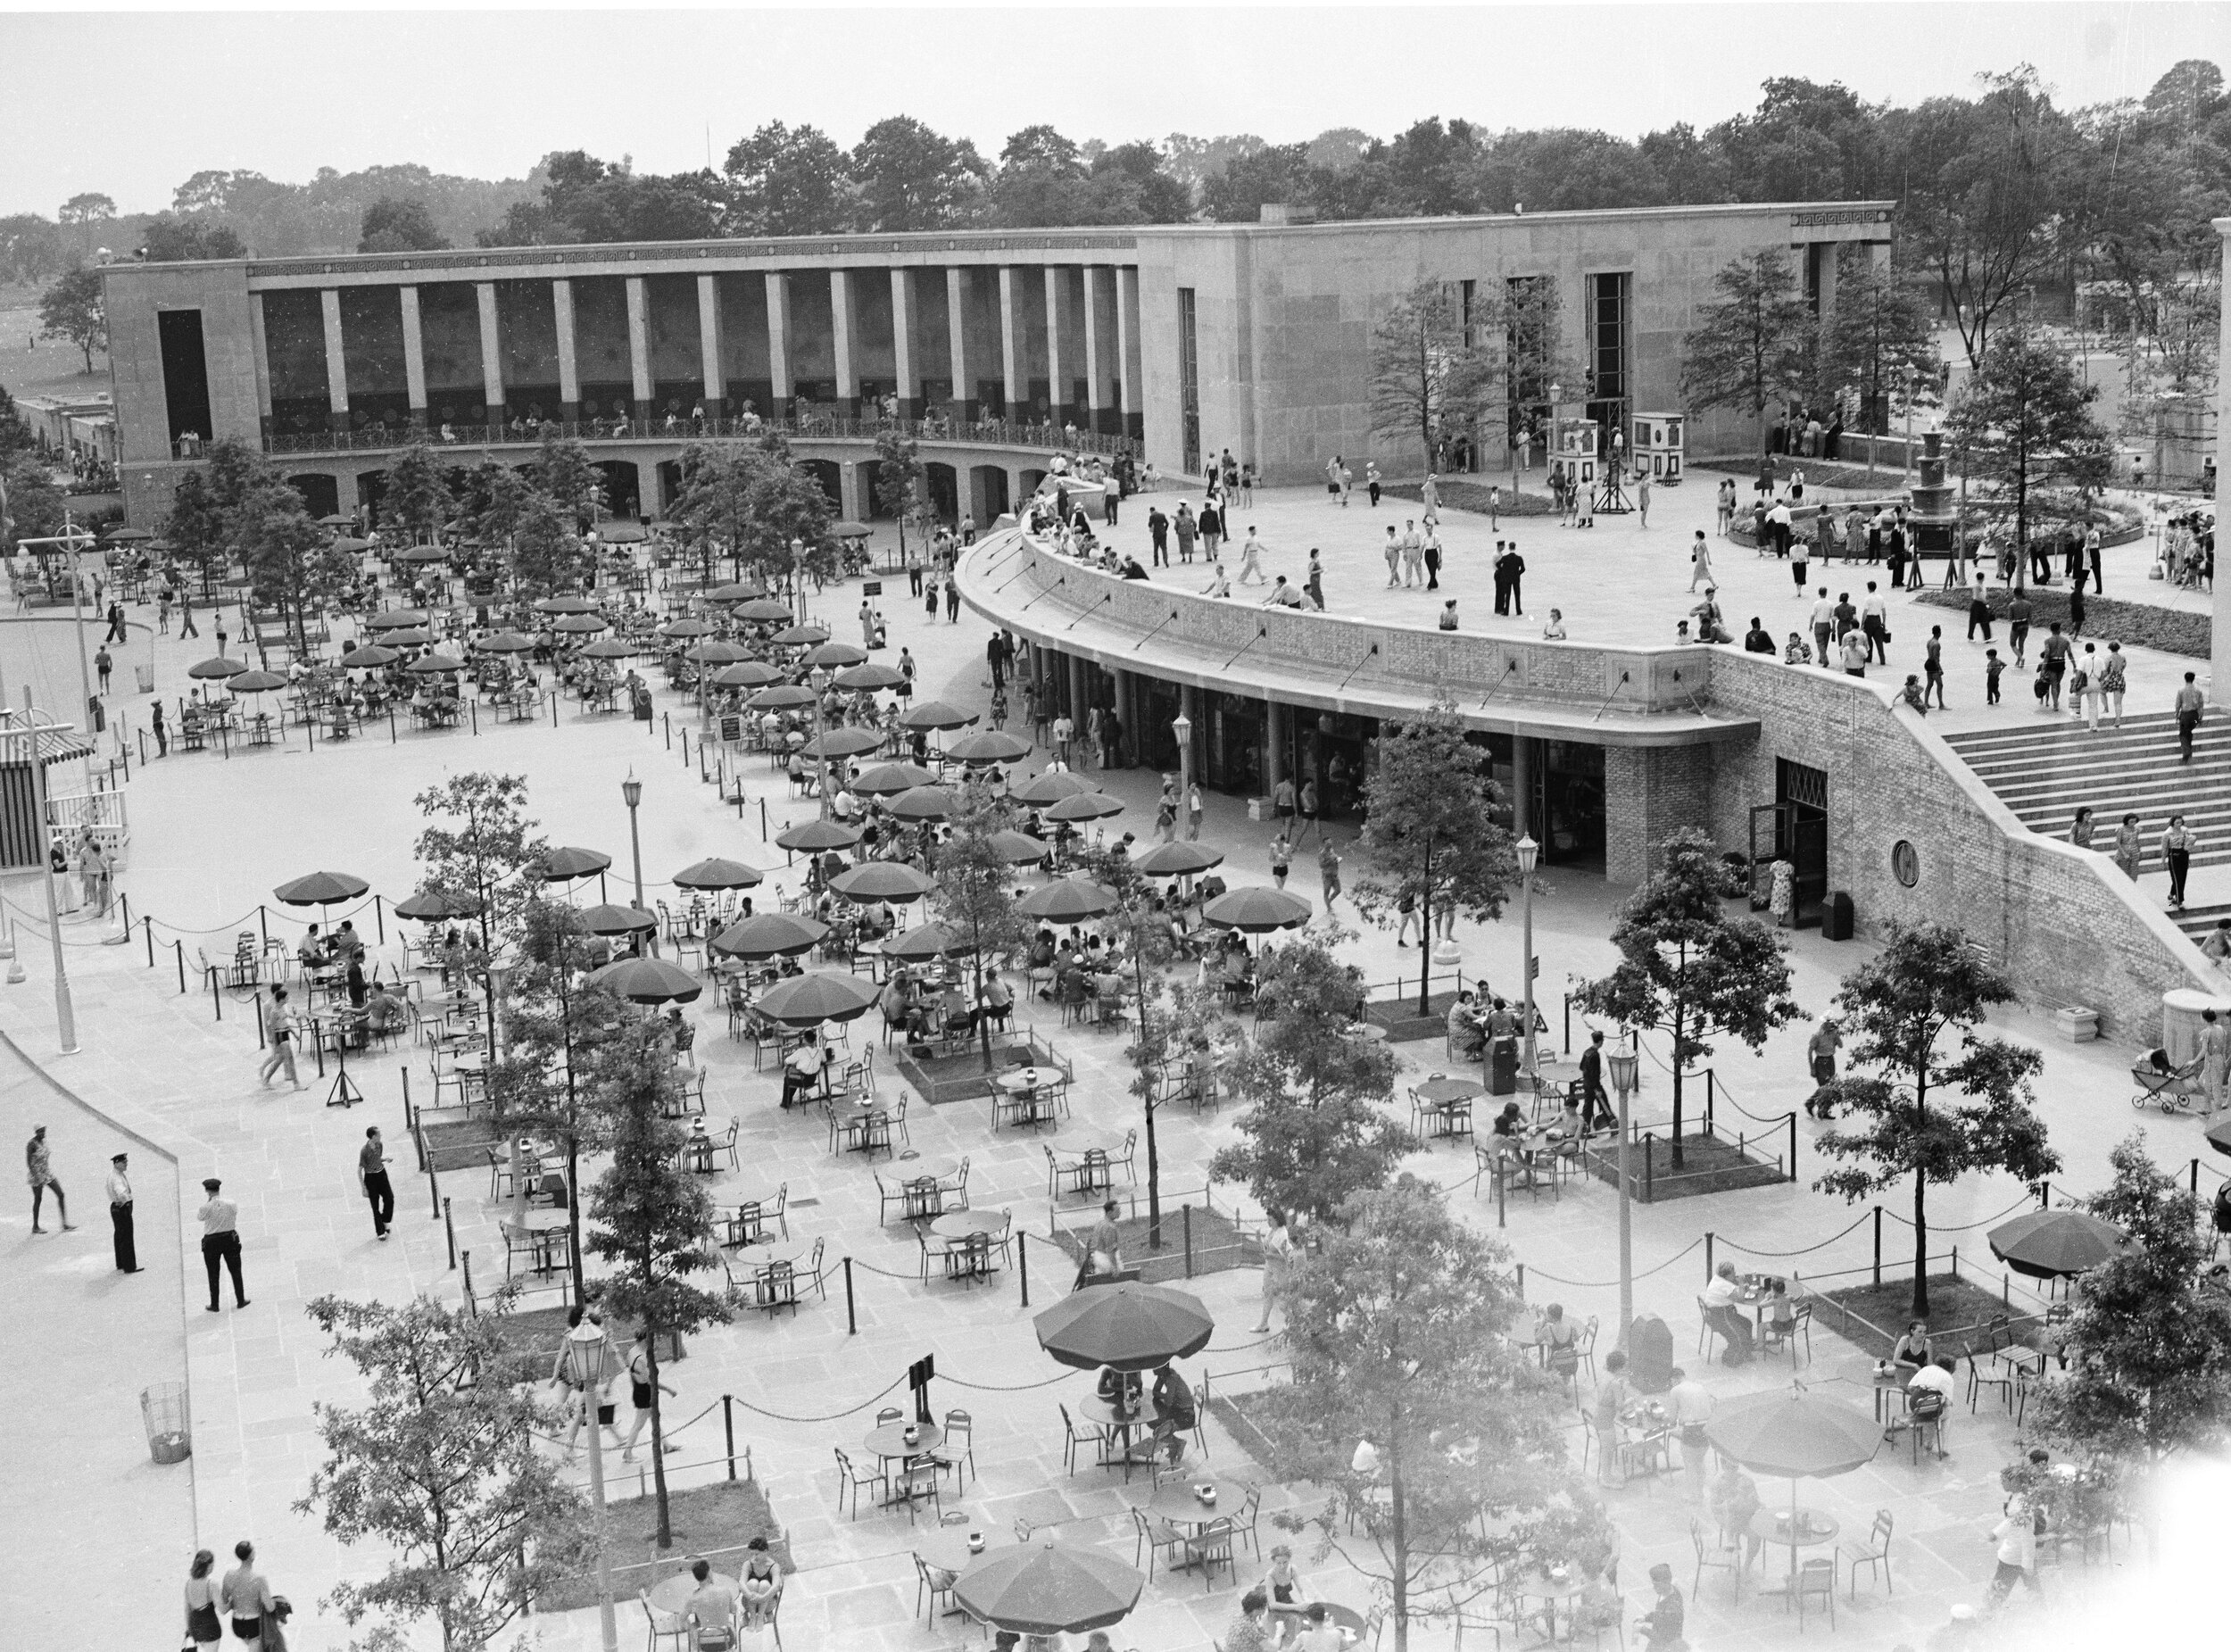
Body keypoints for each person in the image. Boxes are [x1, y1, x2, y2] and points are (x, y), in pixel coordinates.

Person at [555, 1305, 625, 1460]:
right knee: (581, 1415)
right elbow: (569, 1360)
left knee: (592, 1409)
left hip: (590, 1383)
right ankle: (569, 1448)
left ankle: (614, 1433)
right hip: (589, 1384)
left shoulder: (587, 1337)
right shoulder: (583, 1339)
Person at [1986, 1473, 2043, 1609]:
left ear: (2016, 1482)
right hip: (2017, 1553)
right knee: (2034, 1589)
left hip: (2014, 1555)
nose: (2002, 1483)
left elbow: (2026, 1535)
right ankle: (2042, 1613)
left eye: (2005, 1480)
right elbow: (2011, 1521)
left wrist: (2028, 1563)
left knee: (1998, 1593)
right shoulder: (2019, 1499)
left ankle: (1989, 1614)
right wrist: (1997, 1532)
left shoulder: (2023, 1506)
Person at [198, 1176, 248, 1311]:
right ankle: (240, 1299)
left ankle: (215, 1304)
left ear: (207, 1191)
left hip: (212, 1242)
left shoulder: (205, 1207)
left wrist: (209, 1201)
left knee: (213, 1273)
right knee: (236, 1270)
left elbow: (200, 1217)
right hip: (229, 1238)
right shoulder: (230, 1203)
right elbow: (235, 1212)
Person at [221, 1540, 277, 1652]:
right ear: (252, 1555)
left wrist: (235, 1600)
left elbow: (224, 1601)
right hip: (253, 1624)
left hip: (237, 1624)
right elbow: (270, 1607)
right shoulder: (259, 1579)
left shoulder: (229, 1575)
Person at [1668, 1365, 1713, 1500]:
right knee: (1700, 1461)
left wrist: (1672, 1424)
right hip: (1706, 1428)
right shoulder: (1699, 1386)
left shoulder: (1675, 1390)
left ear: (1674, 1379)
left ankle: (1693, 1496)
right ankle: (1700, 1492)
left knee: (1690, 1464)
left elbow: (1672, 1418)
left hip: (1691, 1428)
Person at [1591, 1350, 1632, 1485]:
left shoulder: (1604, 1376)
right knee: (1608, 1449)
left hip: (1598, 1414)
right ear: (1619, 1367)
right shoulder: (1615, 1383)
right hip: (1606, 1420)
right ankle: (1606, 1478)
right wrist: (1629, 1399)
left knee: (1607, 1448)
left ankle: (1606, 1475)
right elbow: (1620, 1406)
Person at [25, 1124, 74, 1233]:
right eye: (40, 1132)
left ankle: (64, 1223)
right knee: (38, 1199)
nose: (43, 1133)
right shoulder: (31, 1144)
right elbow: (29, 1163)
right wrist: (37, 1176)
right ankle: (35, 1226)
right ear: (36, 1132)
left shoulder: (44, 1141)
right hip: (36, 1174)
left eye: (44, 1131)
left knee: (61, 1194)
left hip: (46, 1172)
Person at [1702, 1260, 1754, 1363]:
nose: (1735, 1274)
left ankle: (1747, 1352)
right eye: (1733, 1273)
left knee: (1747, 1323)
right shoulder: (1725, 1286)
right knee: (1740, 1336)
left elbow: (1731, 1291)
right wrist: (1742, 1283)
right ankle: (1732, 1358)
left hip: (1717, 1313)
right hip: (1721, 1317)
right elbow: (1741, 1299)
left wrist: (1740, 1287)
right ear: (1727, 1275)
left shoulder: (1717, 1279)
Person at [684, 1557, 740, 1651]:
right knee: (730, 1623)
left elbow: (682, 1619)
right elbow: (734, 1610)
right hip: (726, 1641)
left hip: (705, 1645)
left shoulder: (694, 1598)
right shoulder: (725, 1591)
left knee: (693, 1625)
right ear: (709, 1573)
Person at [1252, 1209, 1293, 1333]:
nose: (1268, 1222)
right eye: (1268, 1219)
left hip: (1280, 1270)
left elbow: (1286, 1257)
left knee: (1282, 1302)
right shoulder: (1271, 1231)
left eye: (1270, 1220)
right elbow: (1266, 1250)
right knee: (1268, 1294)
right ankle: (1263, 1324)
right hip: (1269, 1267)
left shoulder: (1282, 1234)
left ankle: (1298, 1323)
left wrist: (1270, 1256)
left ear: (1277, 1219)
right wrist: (1259, 1240)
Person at [1149, 1362, 1197, 1464]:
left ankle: (1177, 1444)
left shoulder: (1172, 1378)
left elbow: (1168, 1402)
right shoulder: (1162, 1376)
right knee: (1153, 1424)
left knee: (1159, 1433)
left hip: (1186, 1415)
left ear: (1162, 1367)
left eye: (1155, 1365)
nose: (1152, 1368)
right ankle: (1176, 1445)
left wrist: (1164, 1396)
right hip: (1177, 1411)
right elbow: (1155, 1392)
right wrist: (1165, 1396)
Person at [259, 984, 303, 1091]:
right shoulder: (273, 1011)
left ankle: (267, 1079)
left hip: (285, 1034)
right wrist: (274, 1042)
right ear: (281, 999)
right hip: (279, 1036)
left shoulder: (282, 1008)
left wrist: (294, 1033)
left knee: (280, 1059)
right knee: (288, 1058)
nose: (287, 999)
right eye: (285, 998)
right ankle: (296, 1083)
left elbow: (286, 1023)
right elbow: (273, 1027)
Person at [357, 1125, 395, 1240]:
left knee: (389, 1198)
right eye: (379, 1135)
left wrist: (385, 1159)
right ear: (373, 1137)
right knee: (375, 1205)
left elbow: (377, 1158)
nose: (381, 1136)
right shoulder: (364, 1151)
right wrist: (363, 1187)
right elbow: (359, 1170)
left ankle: (385, 1220)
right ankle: (380, 1231)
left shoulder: (380, 1145)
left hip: (381, 1174)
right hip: (371, 1178)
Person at [105, 1151, 140, 1272]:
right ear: (117, 1163)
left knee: (119, 1235)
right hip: (122, 1208)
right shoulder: (116, 1178)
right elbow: (121, 1192)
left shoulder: (114, 1174)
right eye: (124, 1162)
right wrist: (126, 1202)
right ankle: (129, 1266)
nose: (126, 1164)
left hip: (115, 1207)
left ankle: (121, 1262)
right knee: (126, 1237)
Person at [184, 1549, 224, 1652]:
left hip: (195, 1626)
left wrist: (190, 1630)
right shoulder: (211, 1583)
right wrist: (232, 1601)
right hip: (210, 1627)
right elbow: (222, 1609)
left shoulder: (188, 1583)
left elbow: (187, 1610)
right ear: (208, 1566)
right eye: (212, 1564)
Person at [739, 1536, 782, 1626]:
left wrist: (763, 1598)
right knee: (752, 1583)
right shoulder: (748, 1564)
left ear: (765, 1552)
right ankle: (753, 1616)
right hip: (750, 1602)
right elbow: (741, 1583)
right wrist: (750, 1595)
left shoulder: (774, 1566)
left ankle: (761, 1616)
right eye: (752, 1554)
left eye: (756, 1554)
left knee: (765, 1584)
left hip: (767, 1603)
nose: (754, 1557)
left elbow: (776, 1586)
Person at [1804, 1018, 1842, 1118]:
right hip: (1820, 1062)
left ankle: (1821, 1109)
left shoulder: (1833, 1034)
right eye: (1830, 1023)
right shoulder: (1817, 1036)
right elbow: (1809, 1052)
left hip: (1830, 1061)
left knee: (1831, 1087)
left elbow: (1841, 1046)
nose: (1832, 1025)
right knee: (1824, 1087)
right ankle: (1814, 1105)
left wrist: (1837, 1035)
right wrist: (1812, 1068)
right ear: (1825, 1024)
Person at [1579, 1030, 1613, 1133]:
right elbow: (1595, 1074)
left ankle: (1584, 1129)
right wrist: (1596, 1089)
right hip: (1595, 1086)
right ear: (1600, 1041)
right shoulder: (1595, 1056)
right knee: (1605, 1106)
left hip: (1587, 1084)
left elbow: (1581, 1067)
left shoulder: (1587, 1052)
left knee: (1587, 1108)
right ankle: (1613, 1126)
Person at [1224, 1588, 1280, 1652]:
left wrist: (1261, 1629)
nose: (1267, 1607)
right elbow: (1273, 1648)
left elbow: (1257, 1621)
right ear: (1258, 1609)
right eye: (1265, 1605)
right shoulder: (1250, 1628)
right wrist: (1279, 1632)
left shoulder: (1241, 1615)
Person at [1083, 1197, 1124, 1282]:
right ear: (1109, 1213)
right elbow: (1110, 1249)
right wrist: (1115, 1267)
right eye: (1117, 1210)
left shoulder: (1100, 1222)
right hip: (1107, 1260)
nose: (1120, 1212)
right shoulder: (1110, 1228)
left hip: (1098, 1256)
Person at [2177, 670, 2206, 761]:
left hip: (2185, 716)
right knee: (2189, 731)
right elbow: (2201, 705)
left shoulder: (2181, 690)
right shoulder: (2198, 691)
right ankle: (2188, 749)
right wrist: (2200, 718)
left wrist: (2177, 715)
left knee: (2183, 733)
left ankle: (2187, 752)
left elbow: (2178, 704)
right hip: (2195, 717)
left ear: (2185, 679)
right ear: (2193, 679)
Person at [1318, 838, 1341, 914]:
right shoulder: (1322, 853)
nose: (1330, 844)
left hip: (1334, 875)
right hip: (1327, 876)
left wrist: (1338, 859)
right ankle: (1329, 908)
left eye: (1330, 842)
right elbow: (1321, 865)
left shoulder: (1332, 850)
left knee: (1338, 890)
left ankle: (1329, 902)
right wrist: (1329, 861)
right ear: (1324, 844)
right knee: (1326, 893)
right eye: (1328, 843)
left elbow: (1335, 857)